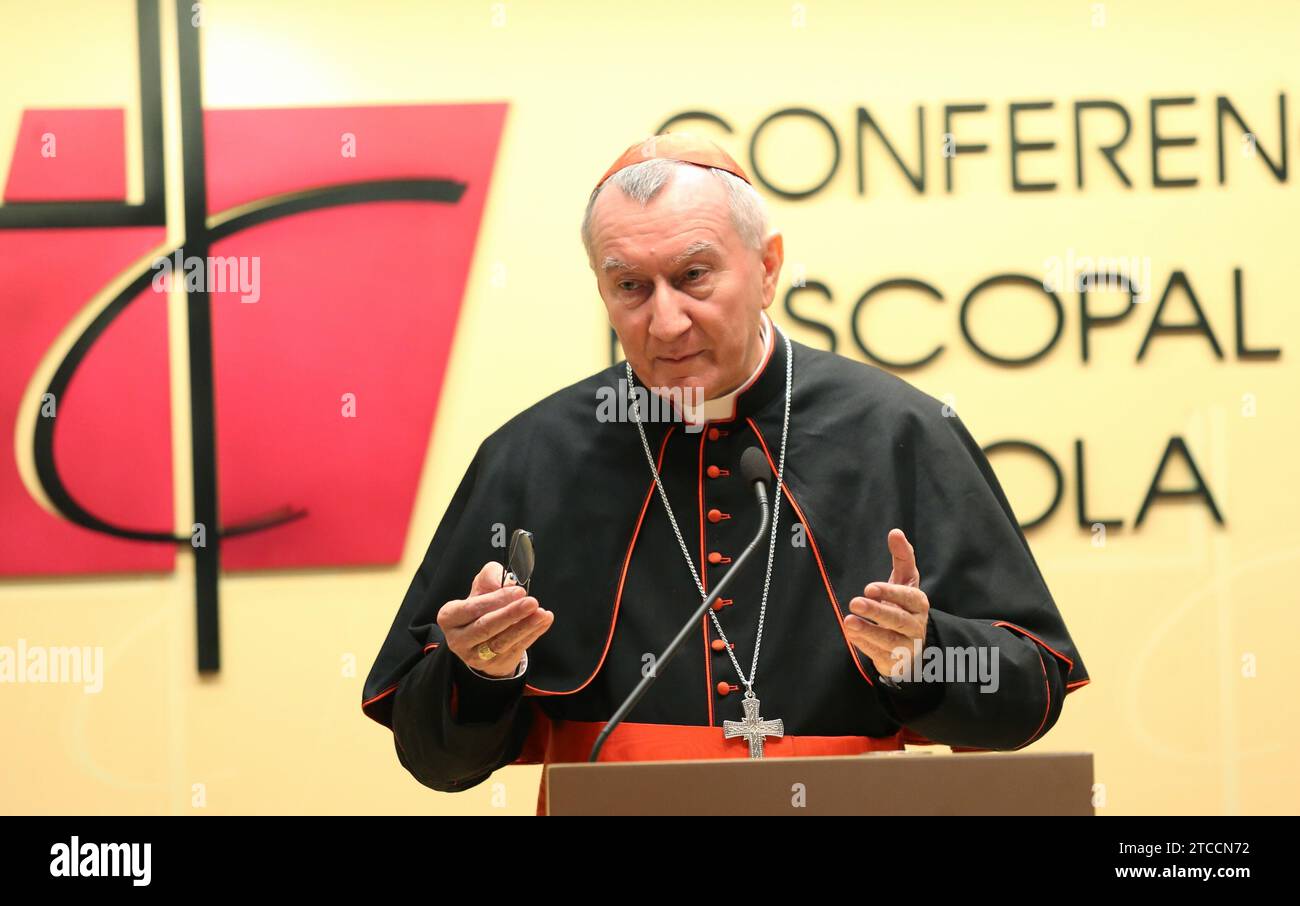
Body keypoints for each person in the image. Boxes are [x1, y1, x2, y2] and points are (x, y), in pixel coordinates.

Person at [362, 132, 1089, 815]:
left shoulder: (899, 432)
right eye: (630, 288)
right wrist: (480, 671)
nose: (667, 321)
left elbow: (1031, 696)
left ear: (767, 267)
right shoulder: (531, 455)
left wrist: (923, 658)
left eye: (693, 276)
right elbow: (436, 762)